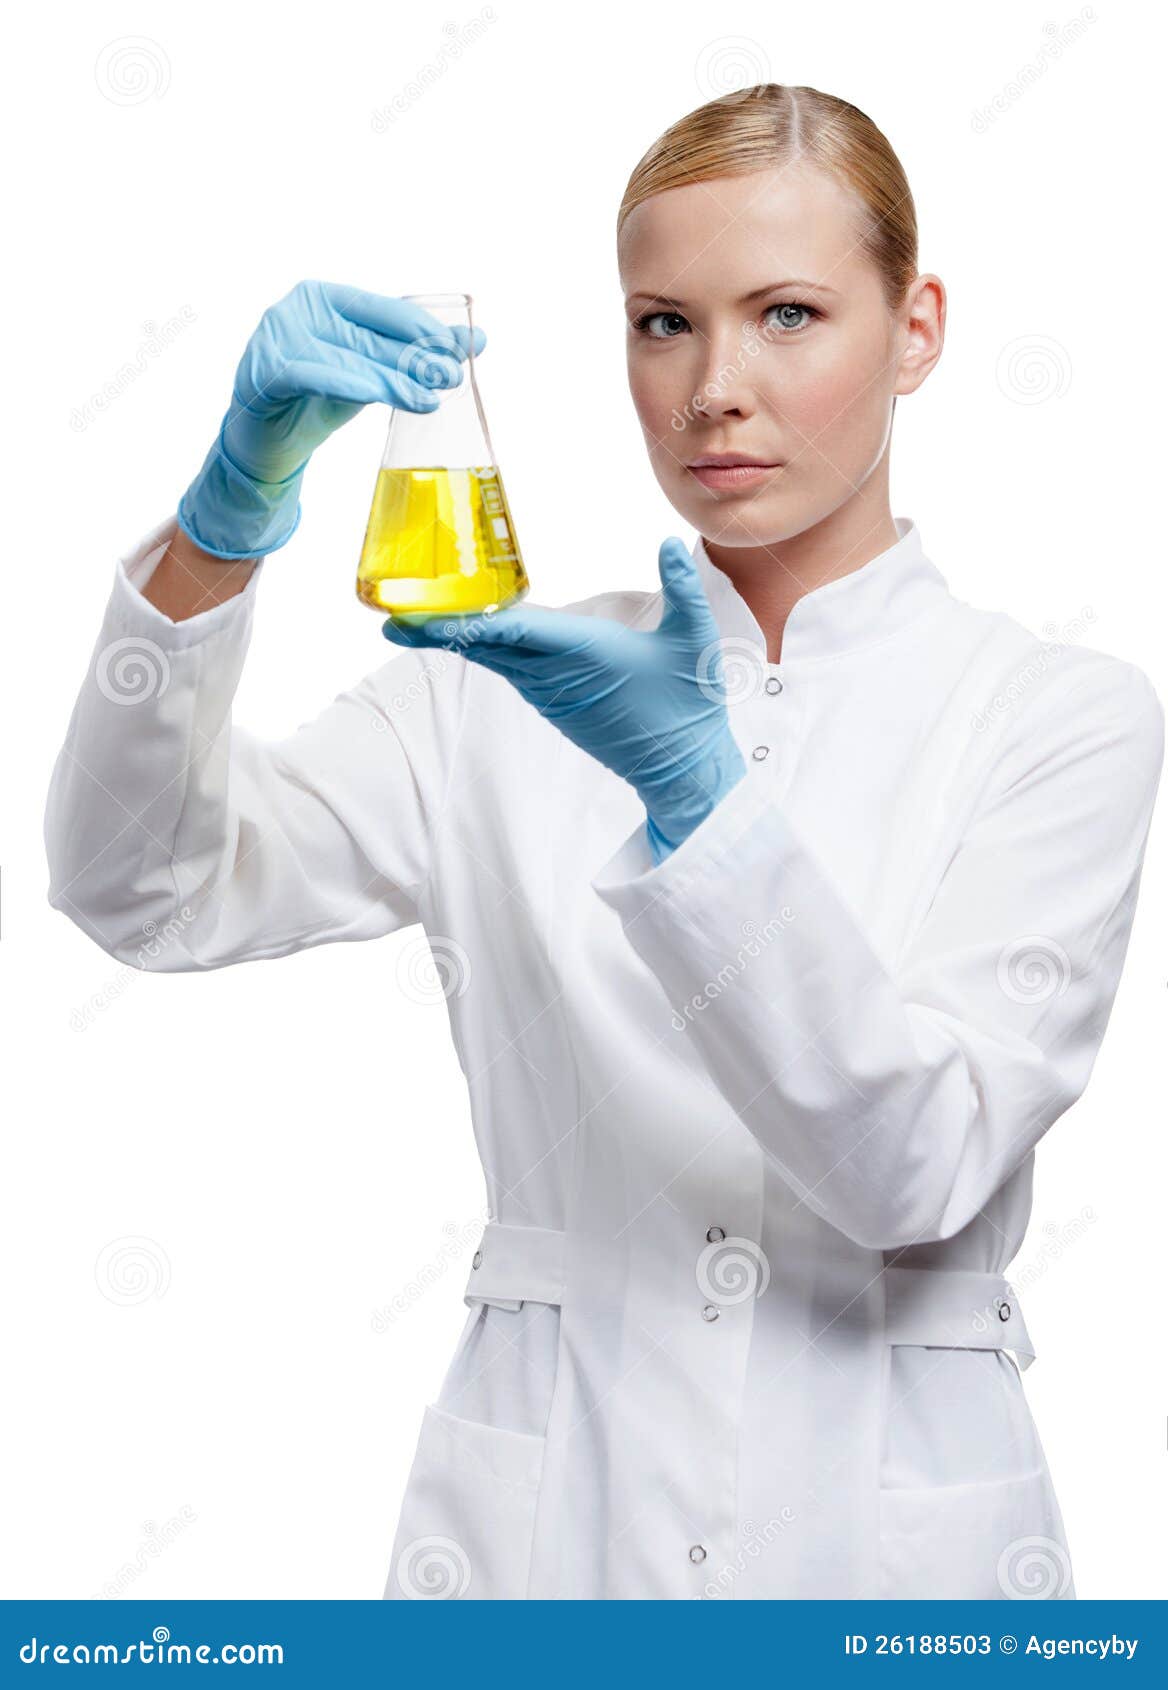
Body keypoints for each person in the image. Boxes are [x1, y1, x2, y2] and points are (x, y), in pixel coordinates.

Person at [44, 84, 1163, 1601]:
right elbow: (141, 887)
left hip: (892, 1538)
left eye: (787, 314)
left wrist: (700, 799)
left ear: (917, 329)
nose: (715, 386)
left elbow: (916, 1168)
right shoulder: (499, 684)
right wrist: (224, 521)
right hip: (544, 1527)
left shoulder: (1057, 713)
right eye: (662, 322)